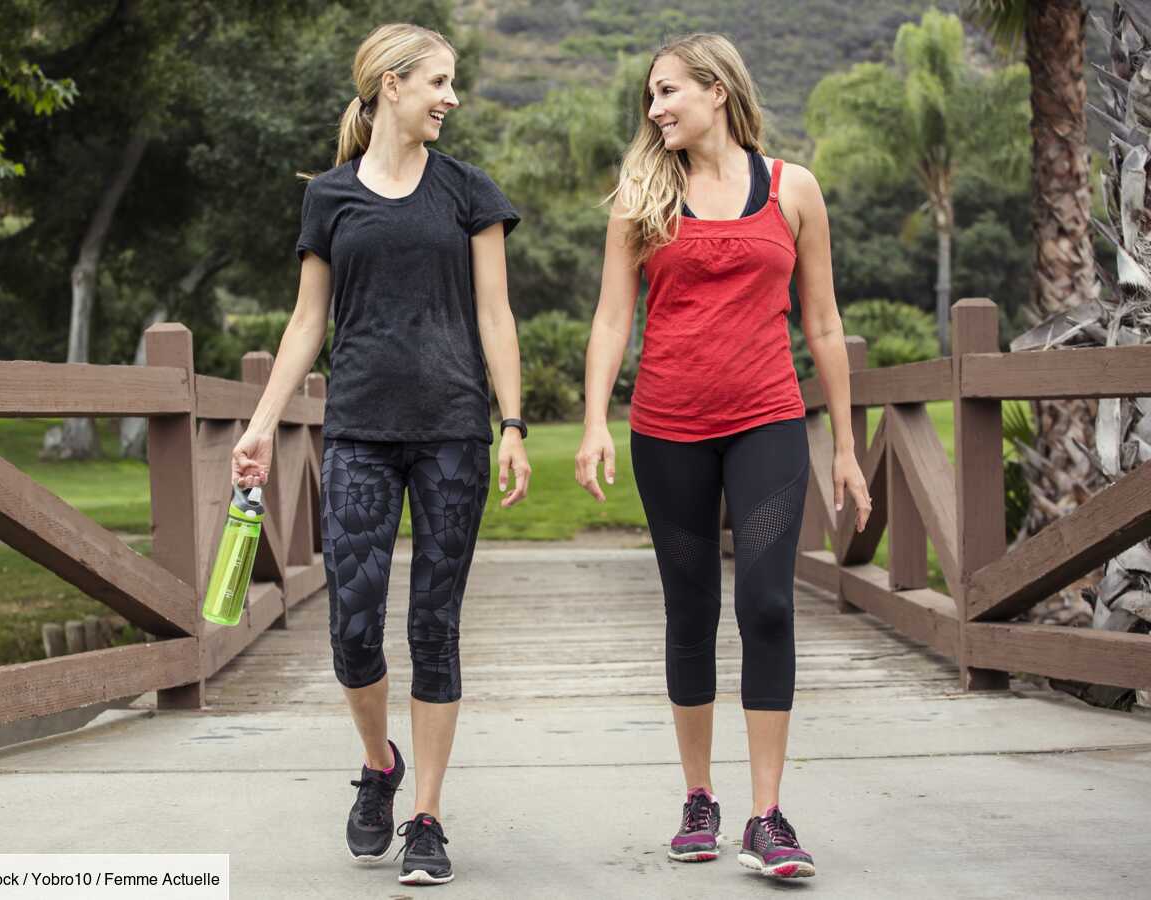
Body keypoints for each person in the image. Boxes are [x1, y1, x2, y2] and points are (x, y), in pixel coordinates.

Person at [231, 22, 529, 887]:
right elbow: (306, 321)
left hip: (451, 432)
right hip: (358, 429)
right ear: (390, 86)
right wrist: (261, 422)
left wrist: (512, 423)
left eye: (453, 82)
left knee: (433, 629)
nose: (451, 97)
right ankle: (379, 765)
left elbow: (495, 315)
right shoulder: (329, 197)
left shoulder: (470, 191)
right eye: (438, 81)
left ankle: (428, 819)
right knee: (352, 629)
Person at [574, 32, 871, 880]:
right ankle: (699, 798)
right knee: (690, 609)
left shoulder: (793, 189)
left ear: (717, 90)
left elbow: (822, 325)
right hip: (667, 428)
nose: (657, 109)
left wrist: (846, 447)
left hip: (768, 422)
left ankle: (767, 814)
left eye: (668, 92)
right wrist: (596, 419)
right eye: (651, 98)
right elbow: (609, 320)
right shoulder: (641, 196)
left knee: (769, 607)